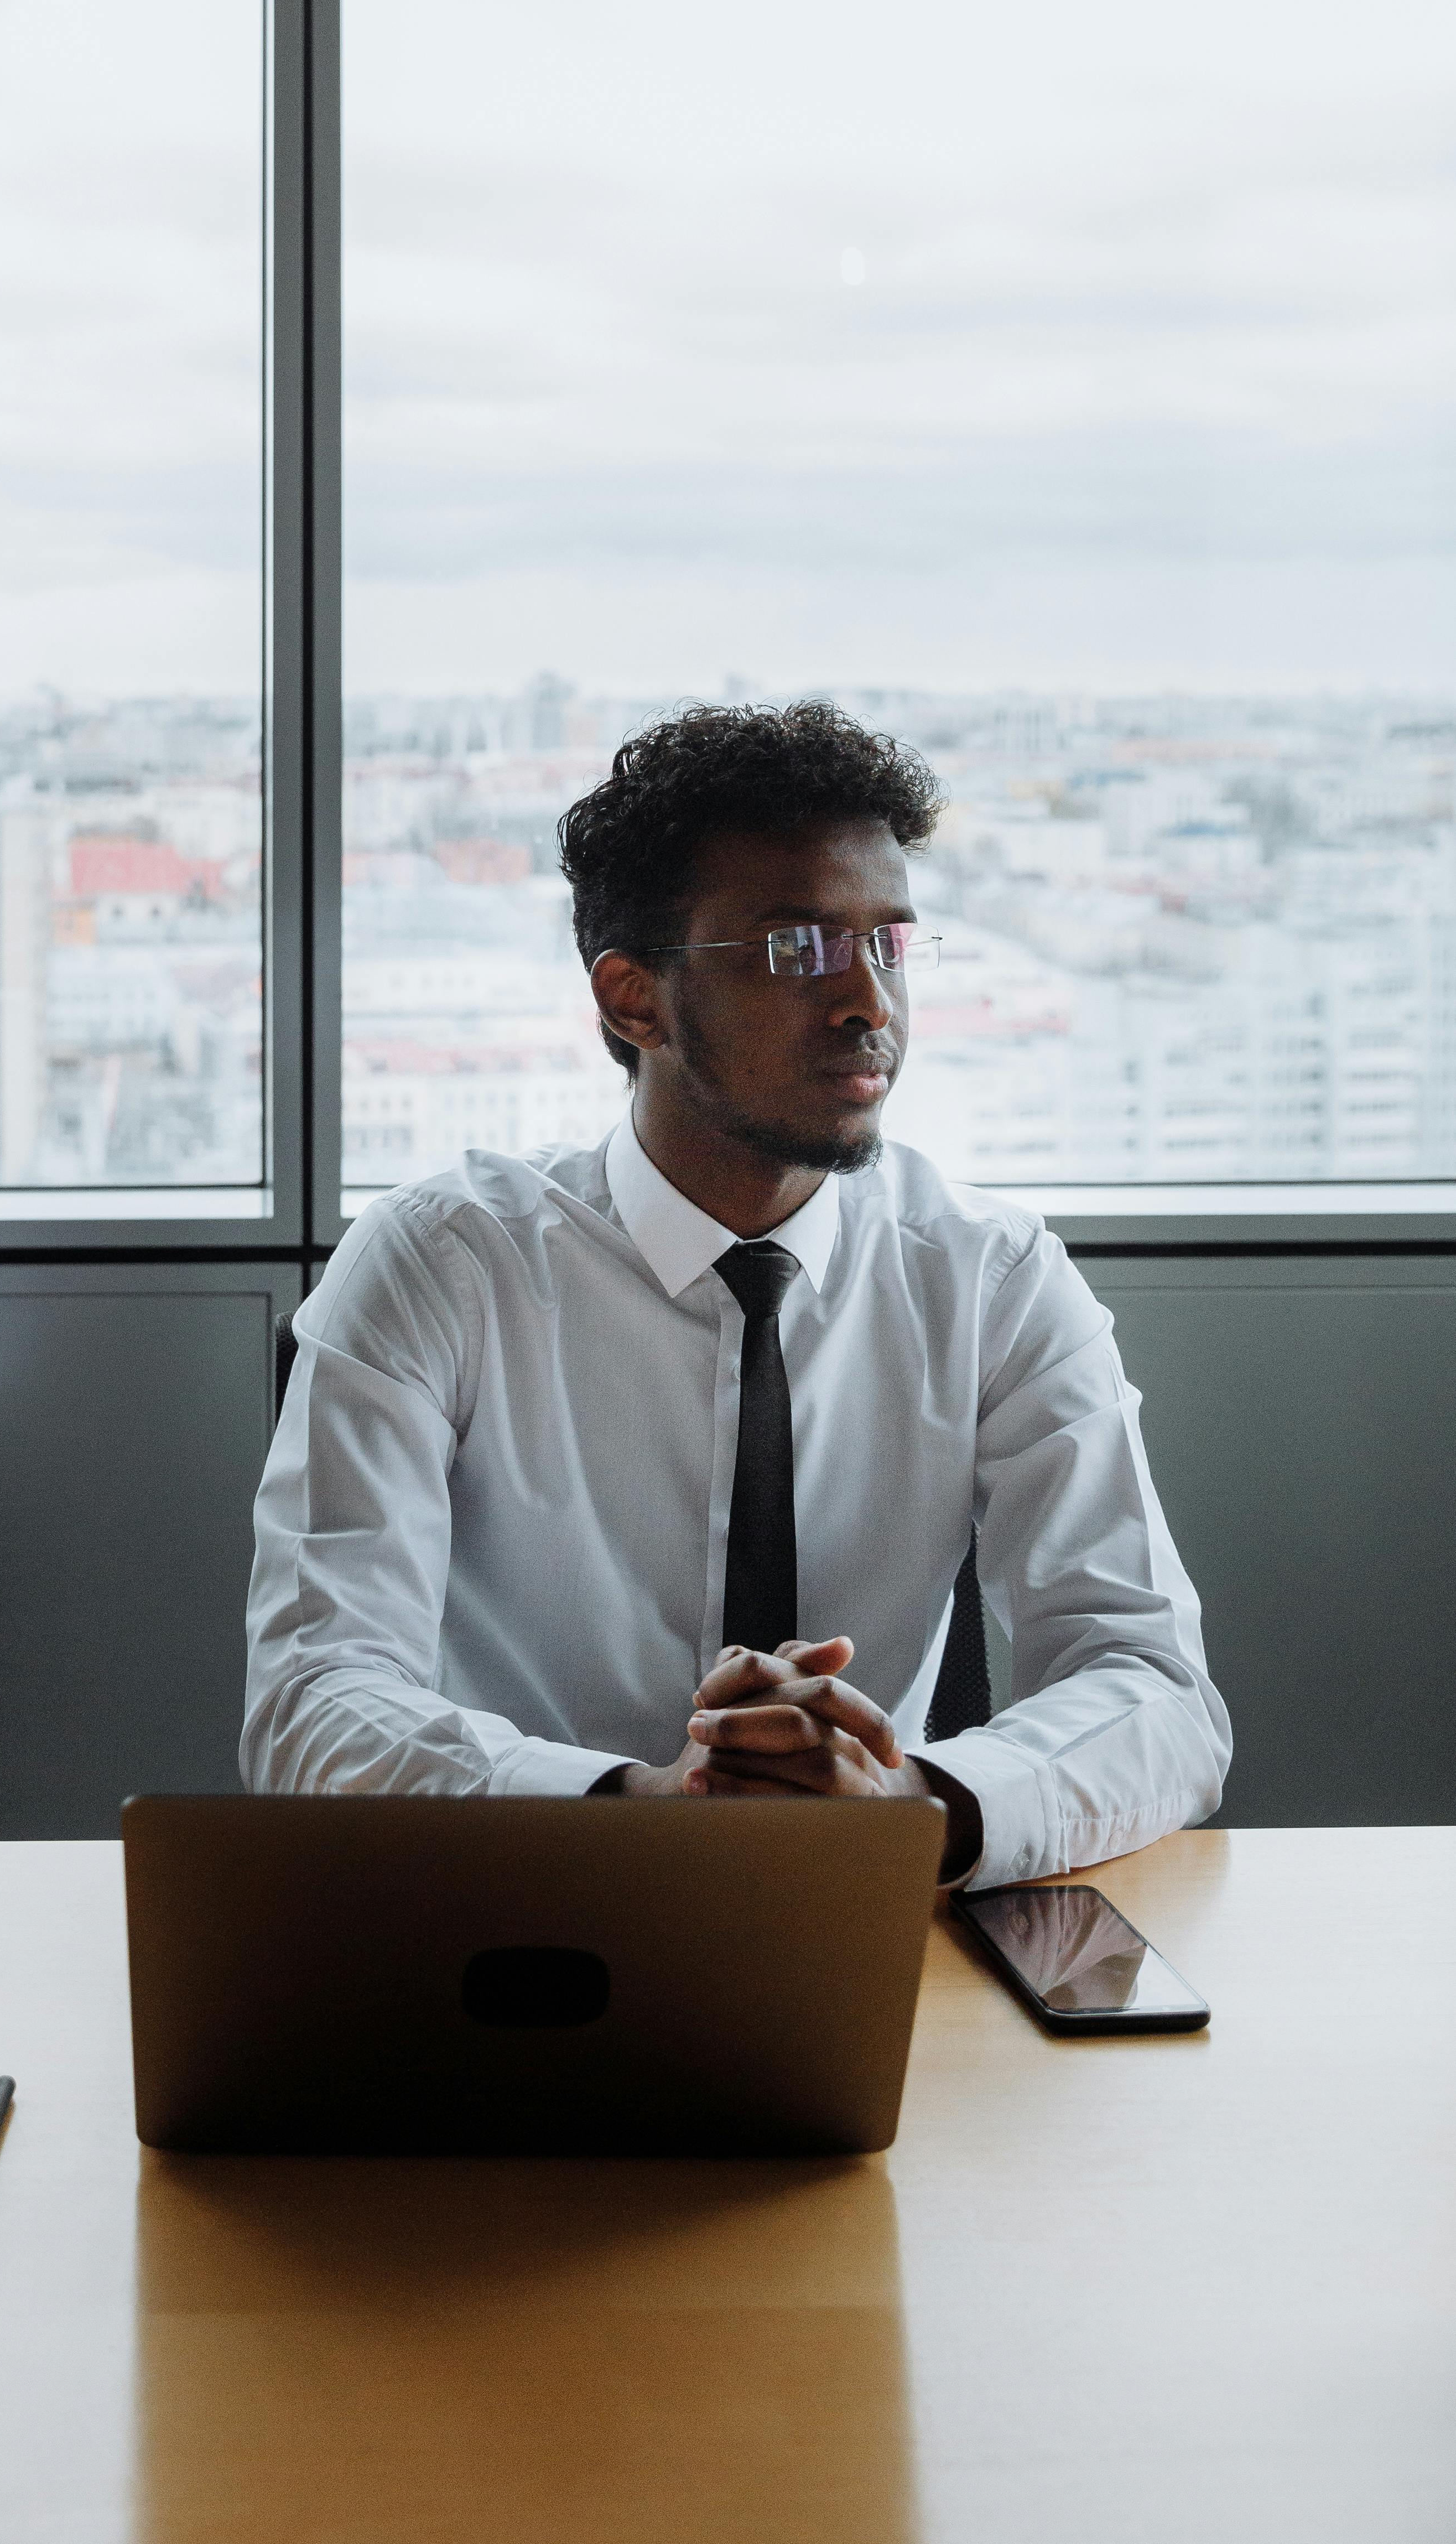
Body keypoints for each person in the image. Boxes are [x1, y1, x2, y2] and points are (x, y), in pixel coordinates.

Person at [244, 700, 1229, 1888]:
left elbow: (1155, 1691)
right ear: (632, 1000)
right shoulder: (439, 1264)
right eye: (795, 949)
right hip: (528, 1907)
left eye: (889, 944)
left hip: (869, 1916)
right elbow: (311, 1704)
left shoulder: (990, 1274)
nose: (868, 1003)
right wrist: (634, 1806)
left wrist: (914, 1800)